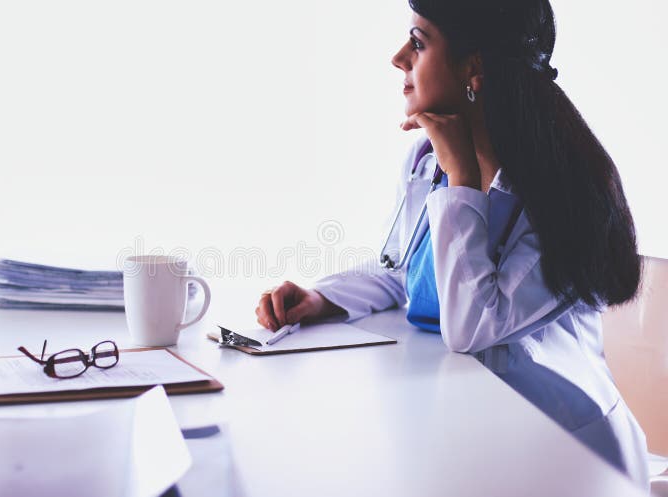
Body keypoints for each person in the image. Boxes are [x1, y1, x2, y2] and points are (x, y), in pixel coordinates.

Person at [254, 0, 649, 488]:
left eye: (418, 43)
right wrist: (322, 298)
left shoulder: (557, 192)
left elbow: (474, 325)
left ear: (474, 67)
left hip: (566, 455)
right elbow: (400, 271)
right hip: (468, 427)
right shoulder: (426, 163)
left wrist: (462, 177)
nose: (399, 57)